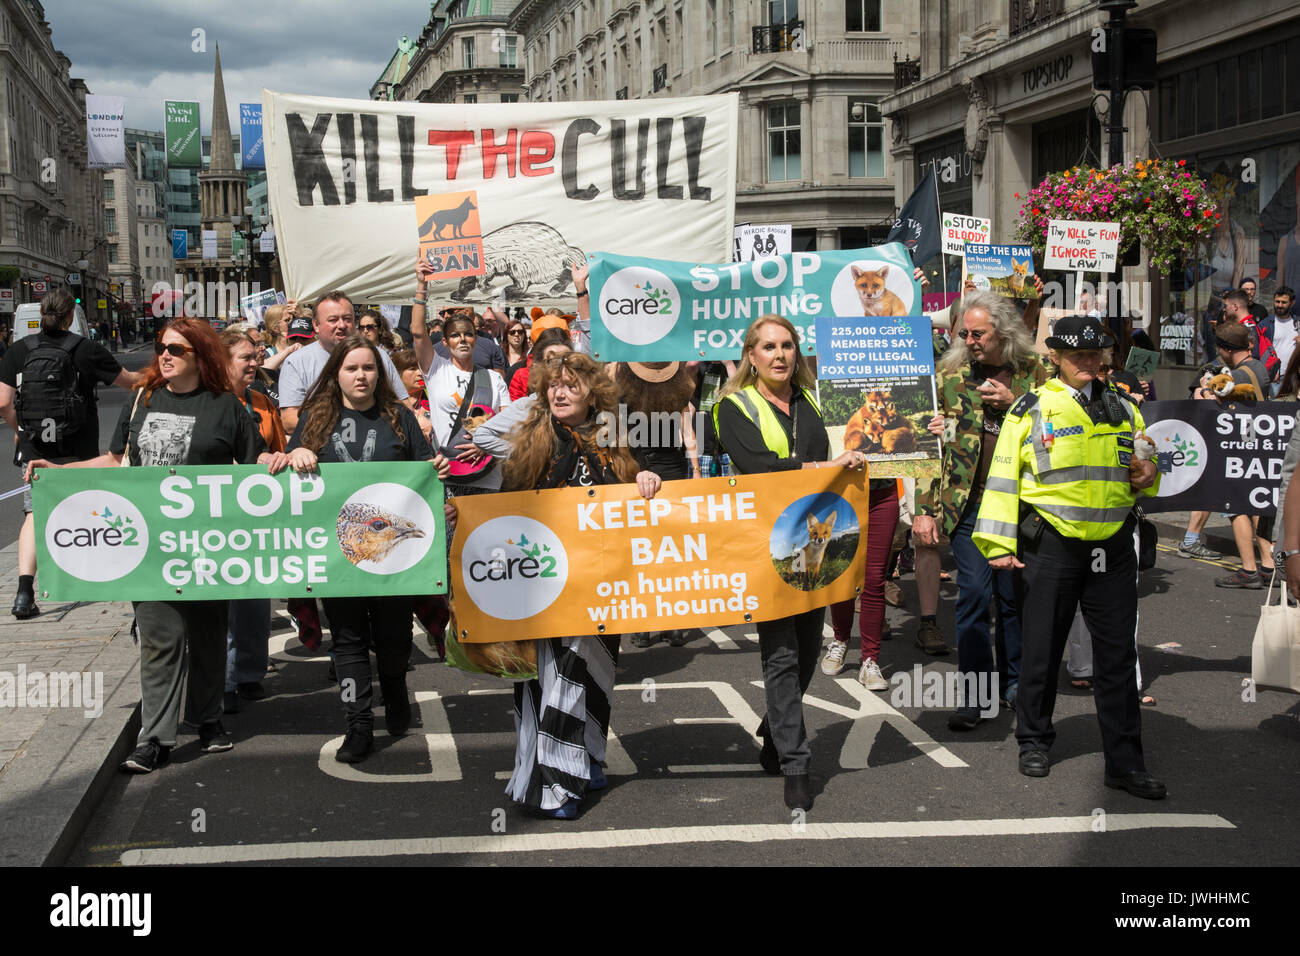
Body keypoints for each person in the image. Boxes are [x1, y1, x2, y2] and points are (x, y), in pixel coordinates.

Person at [27, 319, 278, 773]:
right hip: (150, 545)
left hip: (208, 544)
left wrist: (282, 458)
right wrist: (59, 471)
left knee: (206, 638)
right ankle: (155, 739)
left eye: (176, 350)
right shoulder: (142, 399)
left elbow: (253, 460)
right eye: (162, 347)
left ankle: (207, 720)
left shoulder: (226, 406)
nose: (164, 355)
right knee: (160, 639)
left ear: (200, 357)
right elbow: (116, 460)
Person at [973, 314, 1165, 798]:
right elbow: (1002, 478)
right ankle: (1034, 741)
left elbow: (1147, 462)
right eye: (1077, 354)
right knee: (1042, 648)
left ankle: (1124, 763)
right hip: (1052, 543)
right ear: (1054, 357)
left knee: (1118, 657)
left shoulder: (1125, 408)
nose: (1087, 361)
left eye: (1095, 353)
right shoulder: (1031, 408)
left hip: (1113, 545)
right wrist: (998, 545)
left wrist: (1149, 474)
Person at [498, 351, 662, 819]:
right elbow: (507, 506)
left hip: (605, 583)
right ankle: (558, 787)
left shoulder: (616, 437)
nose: (561, 392)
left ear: (594, 391)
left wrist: (647, 476)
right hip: (549, 584)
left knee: (597, 676)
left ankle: (590, 758)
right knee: (558, 679)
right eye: (554, 385)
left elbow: (640, 483)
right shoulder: (531, 437)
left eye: (572, 384)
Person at [713, 314, 866, 812]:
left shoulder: (815, 400)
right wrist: (823, 468)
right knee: (779, 655)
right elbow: (758, 466)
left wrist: (921, 433)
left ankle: (775, 731)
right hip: (764, 547)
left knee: (804, 656)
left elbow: (860, 444)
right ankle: (796, 765)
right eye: (768, 347)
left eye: (787, 346)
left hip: (817, 543)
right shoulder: (732, 406)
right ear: (751, 356)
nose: (779, 355)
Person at [277, 333, 451, 763]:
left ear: (380, 373)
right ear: (336, 373)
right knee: (349, 642)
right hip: (338, 555)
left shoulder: (399, 416)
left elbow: (424, 471)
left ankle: (394, 689)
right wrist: (296, 450)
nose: (361, 375)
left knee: (393, 640)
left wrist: (437, 472)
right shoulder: (316, 416)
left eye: (369, 368)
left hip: (392, 556)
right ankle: (358, 722)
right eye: (352, 368)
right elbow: (284, 465)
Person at [914, 291, 1050, 726]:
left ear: (1003, 333)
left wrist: (1013, 405)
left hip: (1020, 505)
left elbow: (1053, 437)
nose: (969, 340)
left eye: (978, 334)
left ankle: (1013, 683)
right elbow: (933, 441)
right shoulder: (951, 374)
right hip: (969, 505)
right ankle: (975, 694)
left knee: (1013, 601)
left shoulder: (1035, 374)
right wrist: (923, 508)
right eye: (965, 333)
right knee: (973, 596)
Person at [0, 288, 137, 618]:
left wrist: (20, 433)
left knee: (34, 514)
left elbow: (4, 402)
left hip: (35, 447)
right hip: (78, 446)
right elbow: (130, 382)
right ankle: (92, 575)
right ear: (71, 316)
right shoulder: (85, 349)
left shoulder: (18, 351)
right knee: (87, 506)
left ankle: (23, 592)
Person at [217, 328, 287, 714]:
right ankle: (226, 679)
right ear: (223, 362)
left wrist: (280, 459)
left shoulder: (261, 401)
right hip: (220, 517)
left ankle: (249, 672)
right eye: (245, 357)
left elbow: (277, 448)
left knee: (256, 599)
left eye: (255, 356)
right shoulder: (210, 403)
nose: (255, 363)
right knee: (225, 601)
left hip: (259, 516)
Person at [276, 291, 419, 436]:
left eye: (347, 319)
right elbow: (289, 420)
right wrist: (347, 428)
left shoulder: (378, 356)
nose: (341, 325)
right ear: (316, 325)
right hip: (322, 452)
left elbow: (403, 404)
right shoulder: (296, 362)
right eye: (333, 320)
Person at [1203, 321, 1277, 589]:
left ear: (1224, 349)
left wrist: (1205, 389)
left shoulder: (1240, 376)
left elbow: (1215, 400)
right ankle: (1268, 565)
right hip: (1259, 447)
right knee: (1257, 507)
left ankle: (1248, 570)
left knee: (1235, 507)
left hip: (1241, 446)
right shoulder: (1257, 366)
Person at [510, 327, 572, 401]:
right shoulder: (522, 375)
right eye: (551, 360)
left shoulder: (577, 376)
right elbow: (516, 407)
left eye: (564, 358)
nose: (558, 363)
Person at [1268, 287, 1297, 396]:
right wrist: (1270, 371)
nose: (1279, 305)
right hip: (1275, 378)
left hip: (1294, 377)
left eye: (1284, 302)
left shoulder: (1297, 323)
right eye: (1277, 301)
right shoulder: (1266, 325)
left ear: (1292, 303)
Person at [502, 316, 530, 384]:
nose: (516, 334)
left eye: (520, 332)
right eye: (512, 332)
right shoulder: (500, 356)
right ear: (506, 335)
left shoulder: (529, 356)